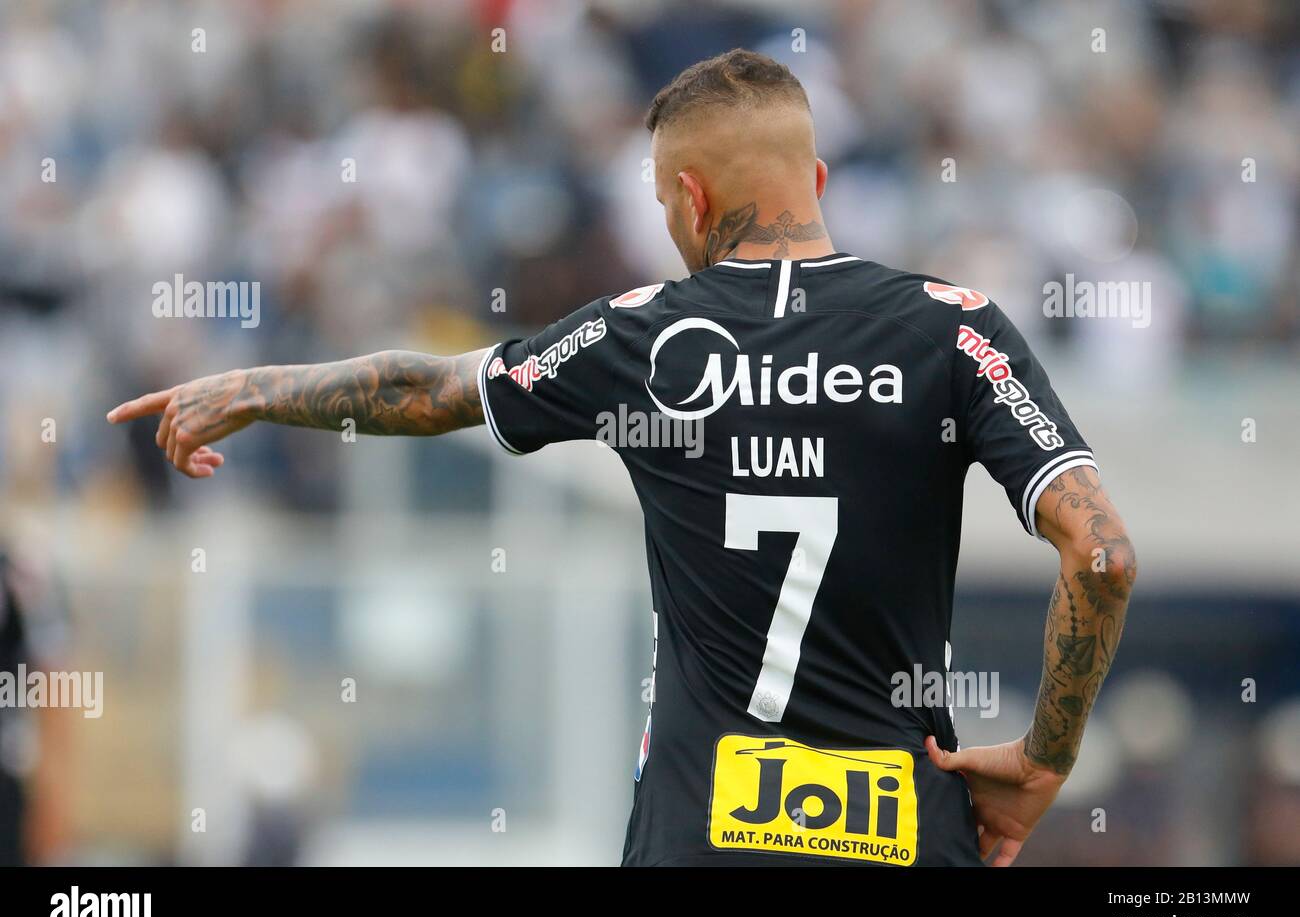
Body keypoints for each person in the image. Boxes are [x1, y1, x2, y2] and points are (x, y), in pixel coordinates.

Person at [107, 49, 1136, 867]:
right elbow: (1100, 554)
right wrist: (1046, 757)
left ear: (689, 198)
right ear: (815, 180)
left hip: (702, 834)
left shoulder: (640, 335)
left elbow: (426, 391)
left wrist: (249, 386)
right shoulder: (954, 328)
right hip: (907, 829)